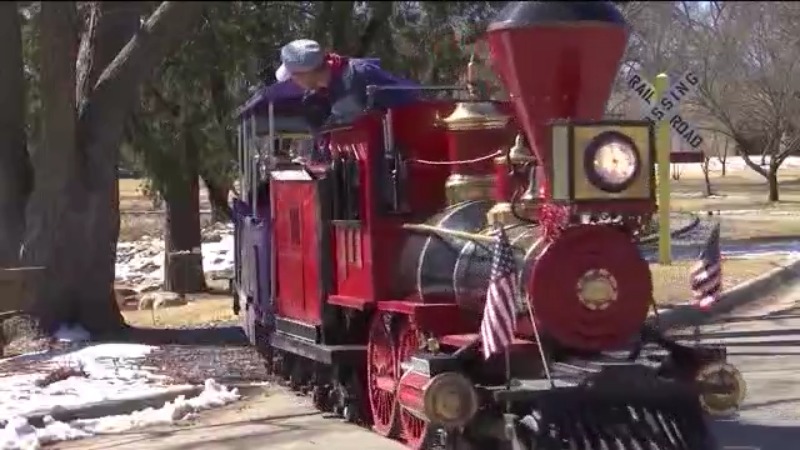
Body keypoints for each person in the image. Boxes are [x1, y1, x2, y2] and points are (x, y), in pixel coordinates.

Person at [275, 39, 419, 126]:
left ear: (307, 73)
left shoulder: (360, 74)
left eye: (293, 76)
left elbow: (412, 99)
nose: (293, 82)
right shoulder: (322, 95)